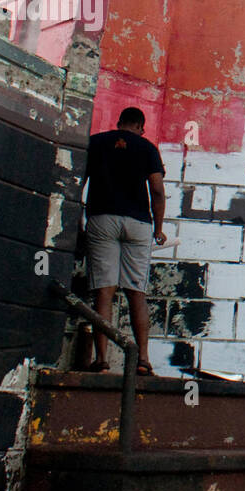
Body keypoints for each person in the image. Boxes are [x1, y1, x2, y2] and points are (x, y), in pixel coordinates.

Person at [81, 107, 167, 376]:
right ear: (141, 127)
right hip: (138, 223)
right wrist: (159, 227)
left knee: (103, 291)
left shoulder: (96, 142)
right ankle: (143, 359)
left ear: (119, 123)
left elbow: (79, 180)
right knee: (136, 293)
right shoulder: (148, 148)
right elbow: (157, 190)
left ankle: (102, 360)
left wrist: (76, 221)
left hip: (102, 217)